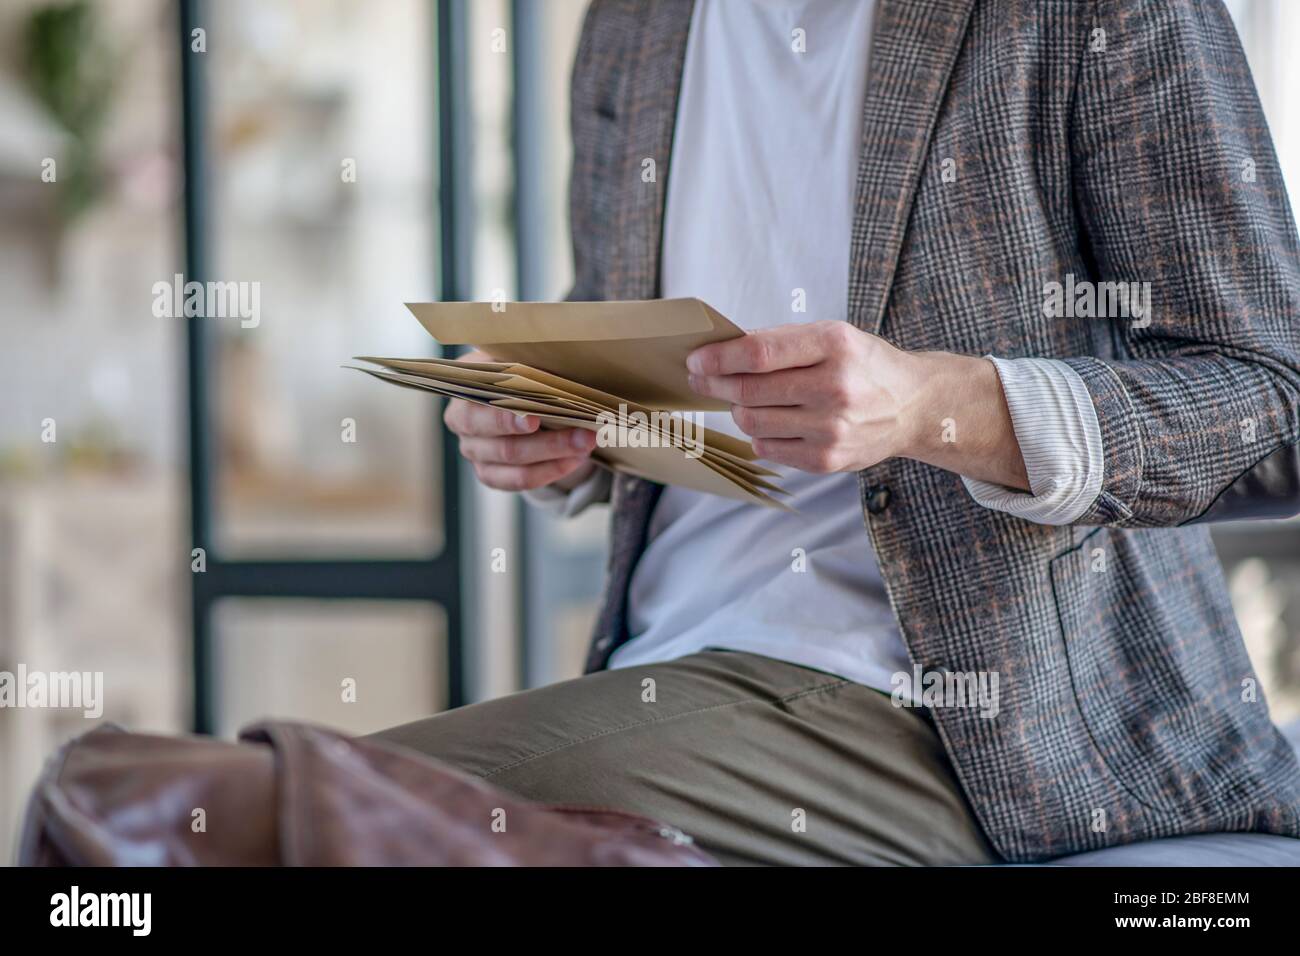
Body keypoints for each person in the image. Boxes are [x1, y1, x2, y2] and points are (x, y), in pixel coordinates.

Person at [372, 0, 1300, 865]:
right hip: (657, 663)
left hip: (971, 716)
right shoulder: (633, 22)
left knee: (333, 807)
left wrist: (936, 404)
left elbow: (1273, 403)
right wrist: (549, 424)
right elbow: (625, 336)